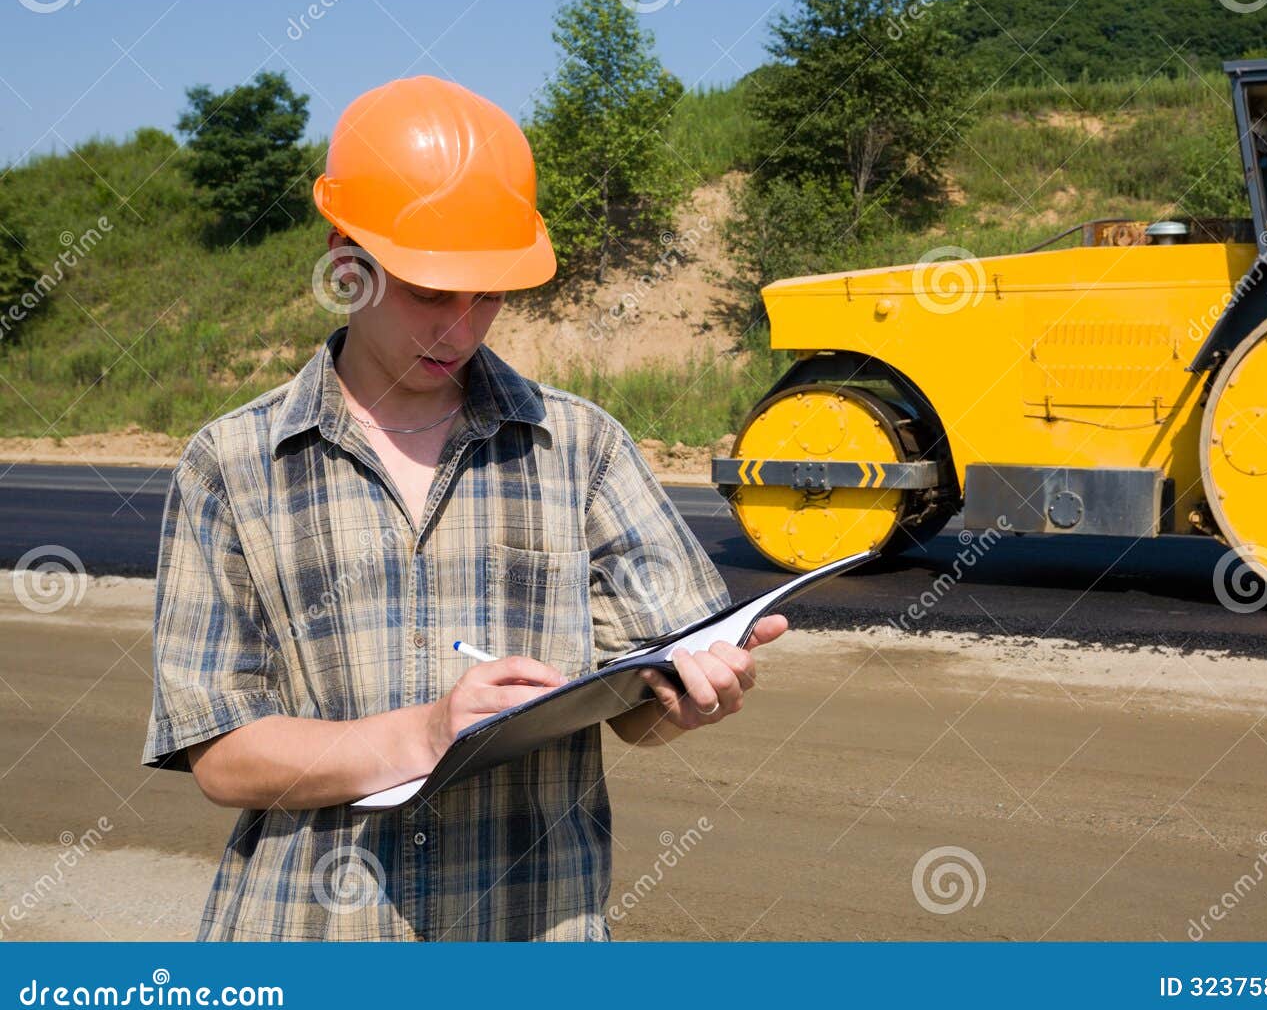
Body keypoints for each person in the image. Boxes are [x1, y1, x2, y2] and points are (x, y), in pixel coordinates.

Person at [140, 75, 786, 941]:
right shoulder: (232, 465)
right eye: (430, 293)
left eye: (488, 294)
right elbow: (219, 752)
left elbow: (639, 711)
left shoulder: (581, 447)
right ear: (345, 259)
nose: (463, 328)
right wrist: (425, 731)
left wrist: (688, 698)